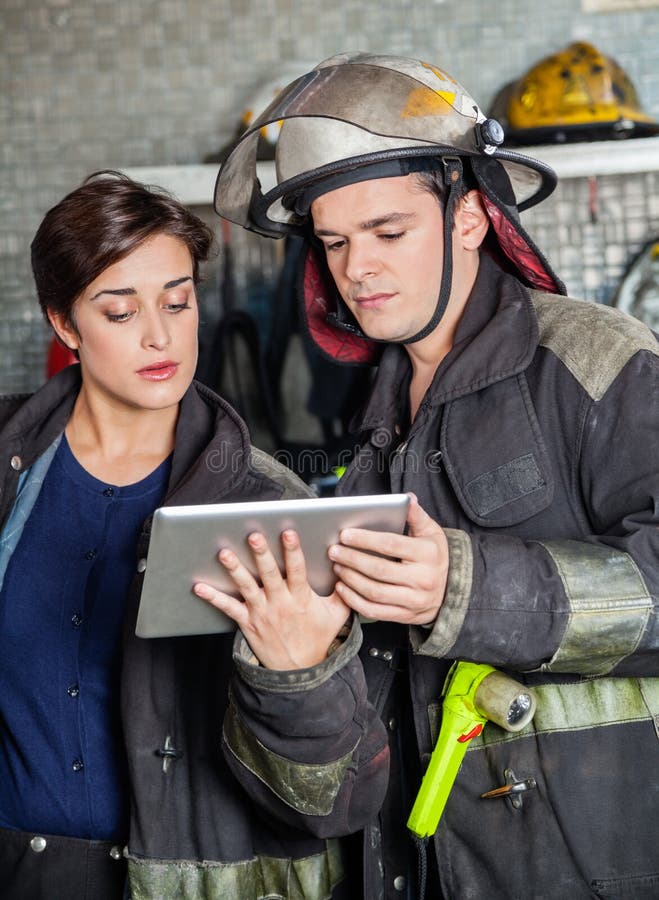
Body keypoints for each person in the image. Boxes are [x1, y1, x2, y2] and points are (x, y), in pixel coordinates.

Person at [210, 53, 659, 899]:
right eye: (334, 242)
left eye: (387, 232)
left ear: (470, 219)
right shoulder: (366, 431)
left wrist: (468, 585)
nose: (357, 270)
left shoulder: (599, 365)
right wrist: (293, 664)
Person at [0, 171, 374, 900]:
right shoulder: (8, 469)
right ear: (64, 325)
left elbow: (338, 800)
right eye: (119, 311)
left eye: (178, 301)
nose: (159, 335)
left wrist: (298, 676)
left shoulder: (268, 508)